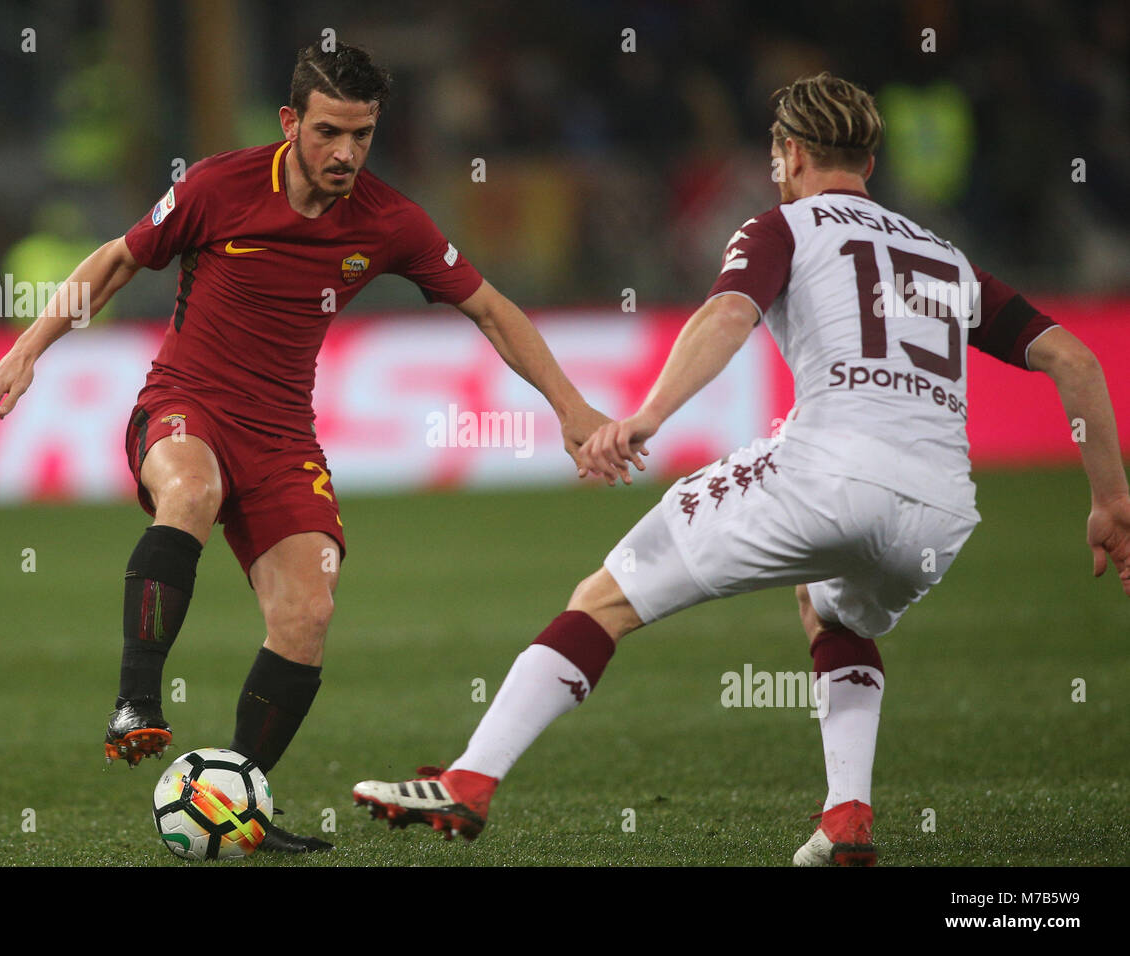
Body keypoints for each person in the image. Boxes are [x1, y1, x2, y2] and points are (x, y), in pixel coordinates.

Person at [352, 72, 1130, 865]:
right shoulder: (942, 255)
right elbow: (1073, 357)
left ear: (790, 153)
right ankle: (846, 820)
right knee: (835, 612)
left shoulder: (785, 226)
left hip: (828, 475)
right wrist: (1109, 502)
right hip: (939, 510)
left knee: (604, 598)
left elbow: (728, 313)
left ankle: (470, 781)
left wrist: (645, 418)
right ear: (868, 156)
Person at [0, 42, 607, 853]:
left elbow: (490, 308)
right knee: (191, 493)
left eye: (364, 134)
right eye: (330, 132)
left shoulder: (388, 220)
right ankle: (137, 700)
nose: (346, 153)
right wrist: (28, 348)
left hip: (282, 439)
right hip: (185, 404)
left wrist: (572, 408)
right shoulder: (218, 186)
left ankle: (238, 801)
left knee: (309, 612)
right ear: (290, 123)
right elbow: (119, 259)